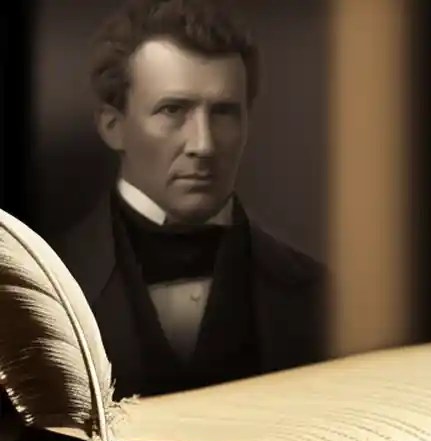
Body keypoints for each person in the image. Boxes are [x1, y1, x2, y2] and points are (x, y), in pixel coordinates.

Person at [54, 0, 328, 398]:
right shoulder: (33, 291)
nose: (204, 144)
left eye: (223, 112)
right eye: (173, 110)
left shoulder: (320, 296)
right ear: (114, 127)